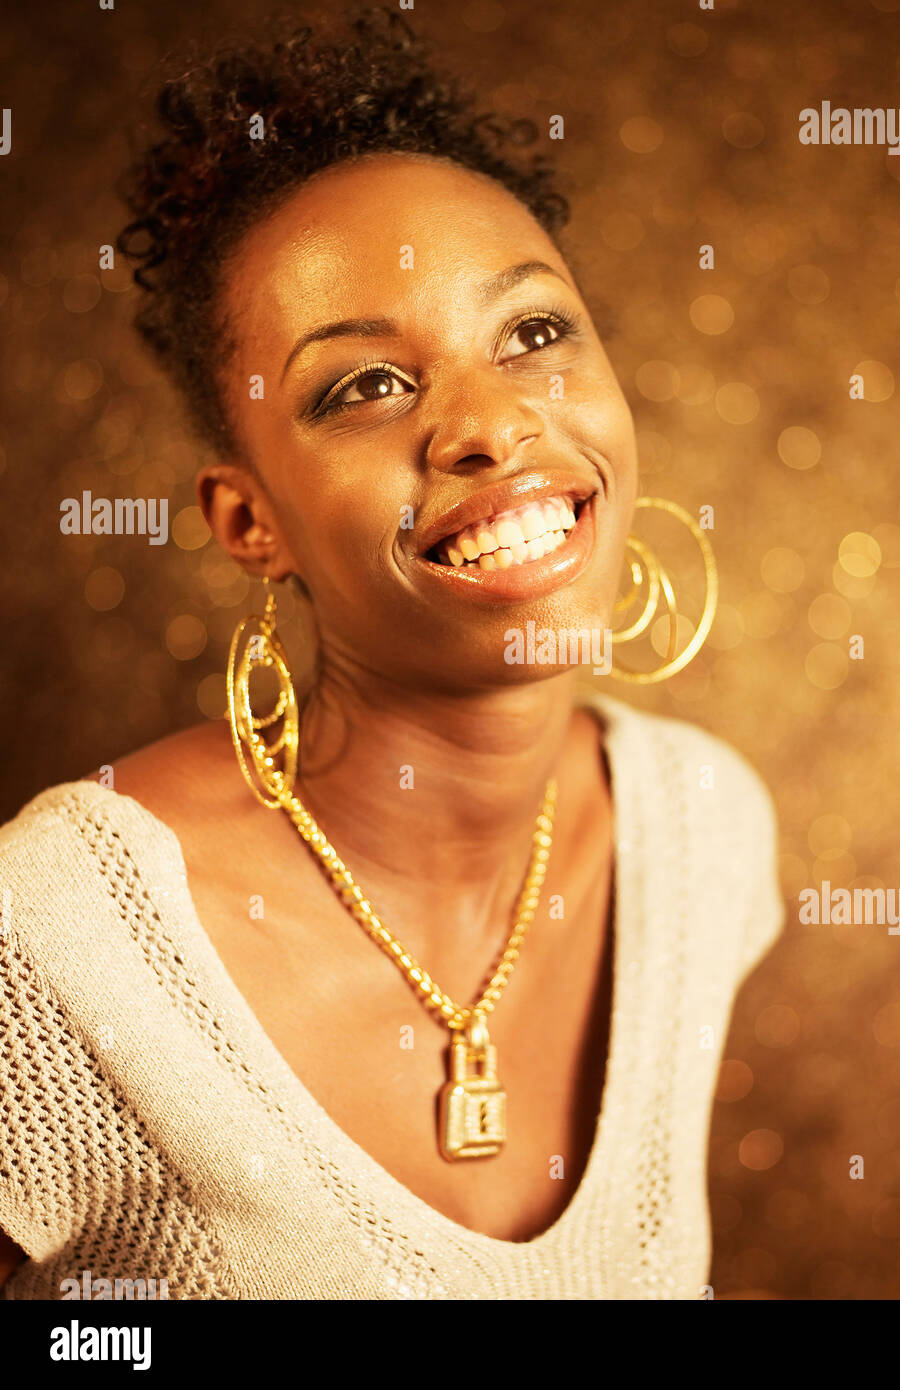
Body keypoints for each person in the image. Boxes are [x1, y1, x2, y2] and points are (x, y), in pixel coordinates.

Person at [0, 7, 782, 1299]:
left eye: (533, 335)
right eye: (365, 386)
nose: (492, 427)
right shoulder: (56, 940)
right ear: (251, 522)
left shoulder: (707, 832)